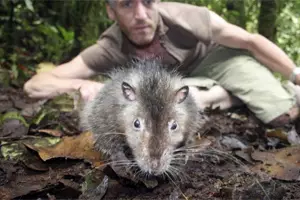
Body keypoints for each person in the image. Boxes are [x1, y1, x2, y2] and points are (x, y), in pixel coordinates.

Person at [24, 0, 300, 128]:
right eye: (128, 5)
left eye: (147, 2)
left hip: (219, 60)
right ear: (111, 11)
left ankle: (281, 88)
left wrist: (295, 73)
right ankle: (228, 96)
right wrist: (83, 83)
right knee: (156, 103)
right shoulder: (110, 46)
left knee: (284, 117)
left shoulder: (186, 17)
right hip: (181, 84)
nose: (141, 15)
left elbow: (251, 40)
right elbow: (36, 84)